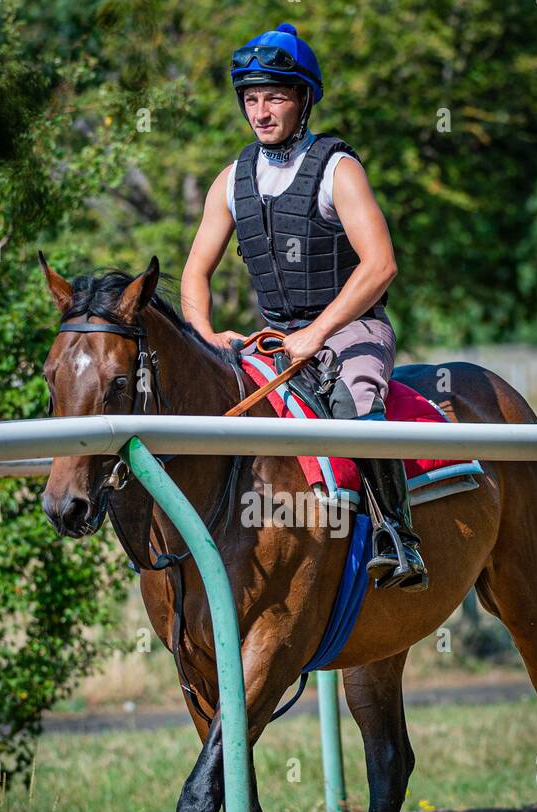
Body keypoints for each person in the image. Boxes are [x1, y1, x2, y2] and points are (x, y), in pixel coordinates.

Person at [179, 22, 427, 591]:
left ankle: (397, 536)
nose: (260, 111)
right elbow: (195, 270)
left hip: (351, 330)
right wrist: (203, 332)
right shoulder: (231, 180)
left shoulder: (338, 169)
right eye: (251, 98)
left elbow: (380, 265)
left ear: (304, 100)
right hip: (275, 336)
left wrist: (318, 332)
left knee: (355, 407)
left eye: (274, 96)